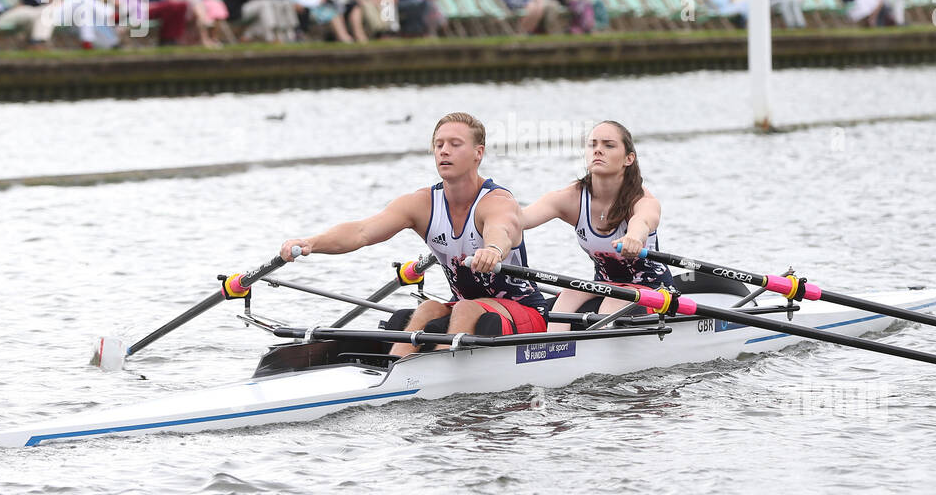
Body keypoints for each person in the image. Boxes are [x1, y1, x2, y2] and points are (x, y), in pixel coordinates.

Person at [279, 112, 548, 356]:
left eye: (455, 144)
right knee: (428, 308)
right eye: (439, 144)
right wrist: (311, 243)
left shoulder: (497, 201)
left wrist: (493, 251)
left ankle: (441, 371)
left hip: (526, 313)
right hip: (469, 308)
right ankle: (393, 368)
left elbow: (501, 229)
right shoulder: (422, 204)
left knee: (465, 307)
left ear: (478, 153)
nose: (444, 151)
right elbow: (361, 232)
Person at [520, 121, 671, 333]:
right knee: (568, 294)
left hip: (652, 290)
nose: (598, 150)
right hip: (604, 286)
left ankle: (593, 353)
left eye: (609, 145)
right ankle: (550, 350)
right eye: (592, 145)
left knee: (612, 302)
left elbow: (643, 221)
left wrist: (634, 238)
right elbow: (520, 220)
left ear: (629, 159)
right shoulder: (571, 198)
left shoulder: (643, 199)